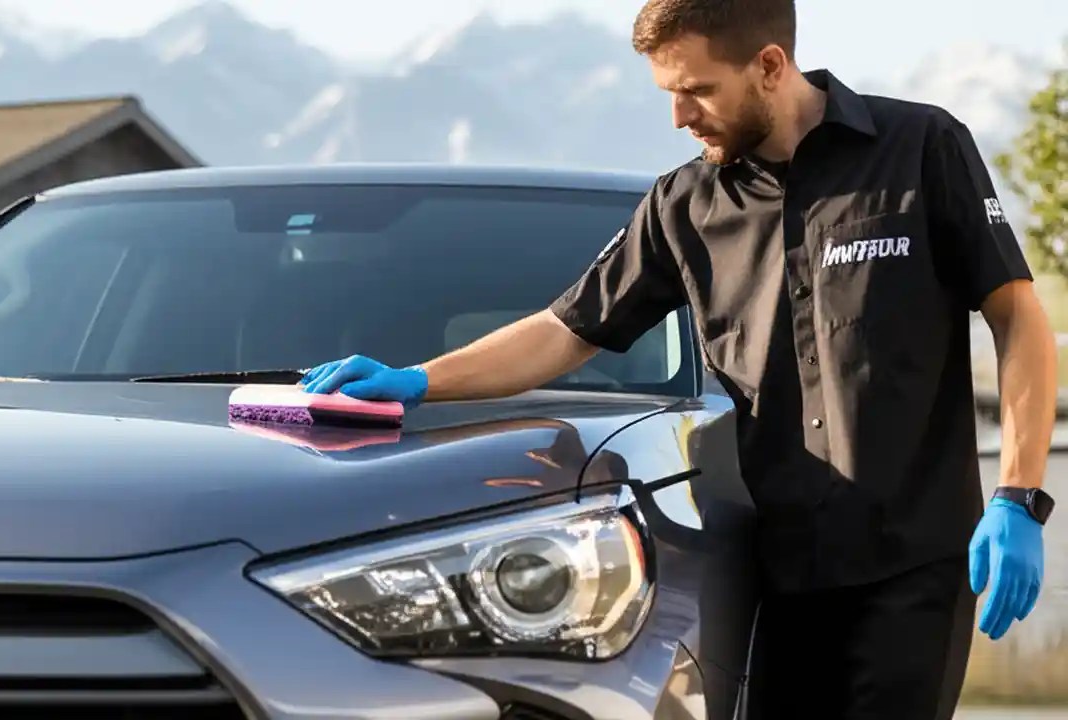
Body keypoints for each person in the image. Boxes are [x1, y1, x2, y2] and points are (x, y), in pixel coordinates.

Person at [298, 0, 1060, 717]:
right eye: (669, 91)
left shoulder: (921, 148)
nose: (678, 115)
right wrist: (422, 380)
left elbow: (1017, 318)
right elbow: (567, 330)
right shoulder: (683, 206)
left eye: (697, 90)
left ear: (769, 65)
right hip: (782, 579)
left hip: (913, 569)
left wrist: (1019, 497)